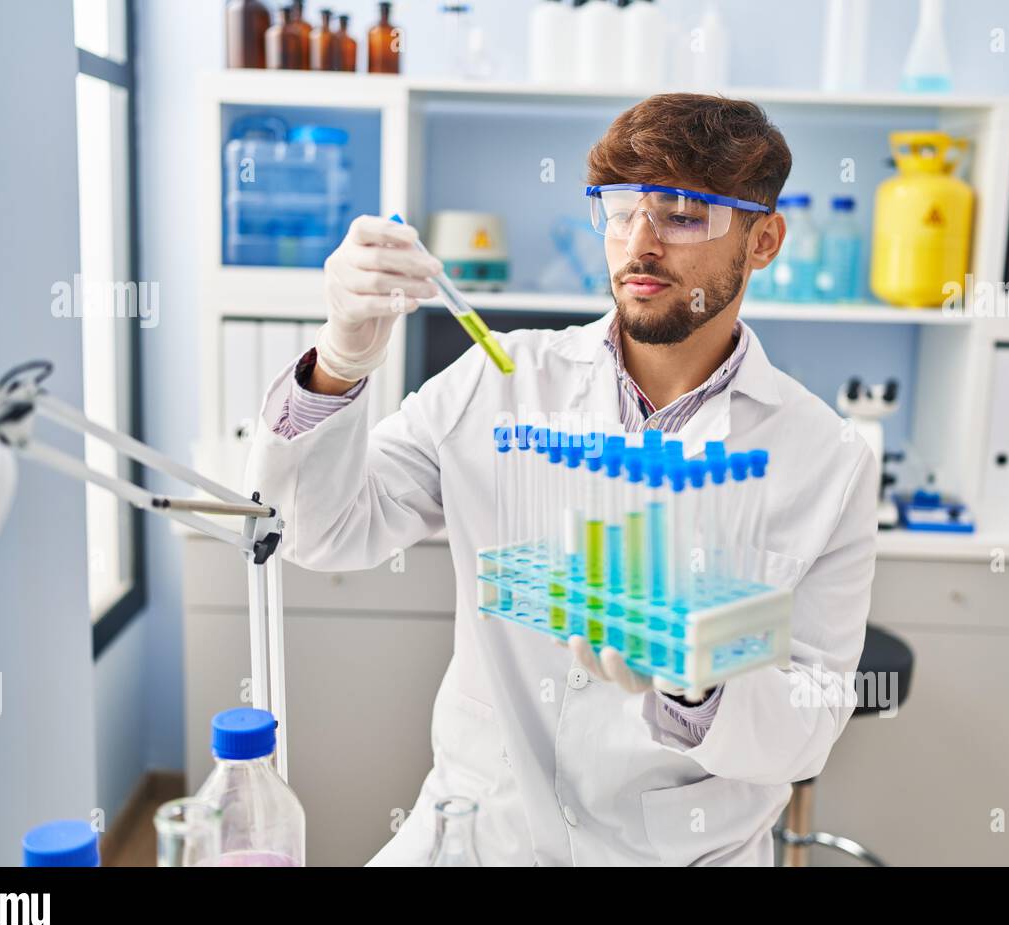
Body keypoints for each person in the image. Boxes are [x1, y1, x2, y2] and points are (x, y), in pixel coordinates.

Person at [246, 93, 877, 866]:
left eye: (683, 214)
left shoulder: (827, 459)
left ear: (764, 240)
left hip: (675, 853)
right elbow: (319, 531)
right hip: (478, 832)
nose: (639, 244)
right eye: (619, 211)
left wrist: (699, 686)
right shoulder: (497, 379)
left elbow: (811, 724)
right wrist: (340, 363)